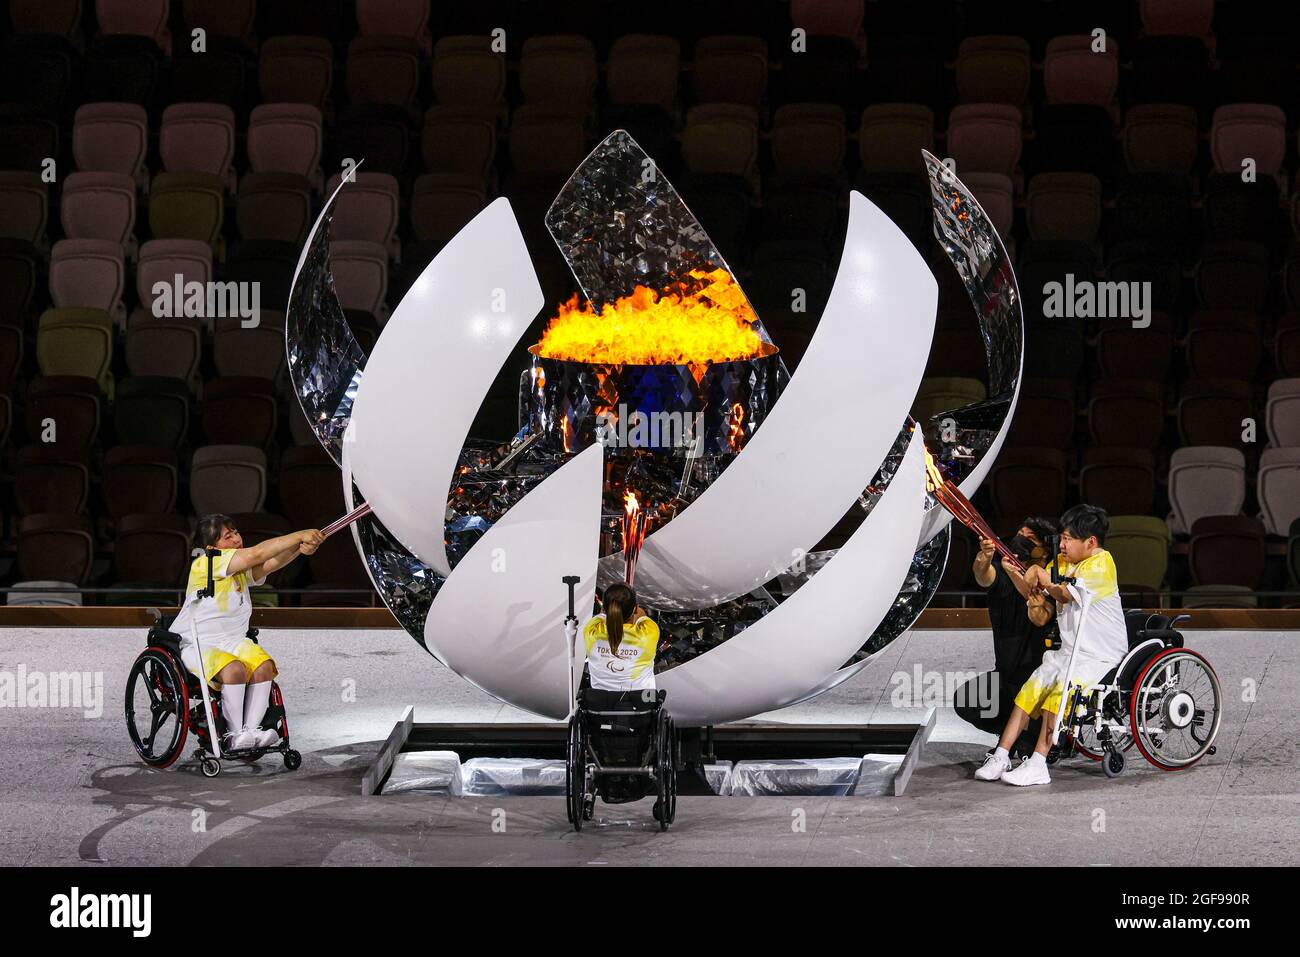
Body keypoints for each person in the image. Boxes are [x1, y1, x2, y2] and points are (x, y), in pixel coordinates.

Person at [974, 504, 1129, 786]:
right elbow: (1035, 593)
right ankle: (1001, 755)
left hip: (1100, 655)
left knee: (1059, 691)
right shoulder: (1062, 561)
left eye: (1069, 538)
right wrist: (1014, 572)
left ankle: (1038, 763)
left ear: (1090, 542)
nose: (1063, 543)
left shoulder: (1101, 563)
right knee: (1029, 691)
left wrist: (1041, 575)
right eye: (1063, 537)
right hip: (1070, 652)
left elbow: (1063, 594)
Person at [169, 514, 325, 750]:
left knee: (263, 667)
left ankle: (251, 732)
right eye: (227, 536)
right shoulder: (206, 563)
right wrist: (300, 534)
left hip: (233, 641)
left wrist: (299, 548)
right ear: (211, 547)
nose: (236, 539)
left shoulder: (238, 570)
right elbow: (258, 554)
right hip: (200, 644)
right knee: (234, 670)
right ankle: (233, 734)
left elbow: (272, 563)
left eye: (236, 533)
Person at [952, 517, 1056, 758]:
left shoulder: (1051, 580)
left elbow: (1042, 616)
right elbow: (983, 575)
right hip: (1006, 673)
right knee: (967, 700)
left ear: (1044, 550)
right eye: (1019, 534)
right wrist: (984, 556)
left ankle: (1039, 739)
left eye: (1030, 539)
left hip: (1040, 678)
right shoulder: (1002, 572)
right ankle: (1013, 735)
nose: (1020, 541)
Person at [582, 582, 661, 693]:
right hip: (643, 704)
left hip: (600, 705)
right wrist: (635, 609)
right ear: (635, 609)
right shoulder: (648, 633)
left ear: (604, 608)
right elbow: (641, 614)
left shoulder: (591, 631)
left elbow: (603, 615)